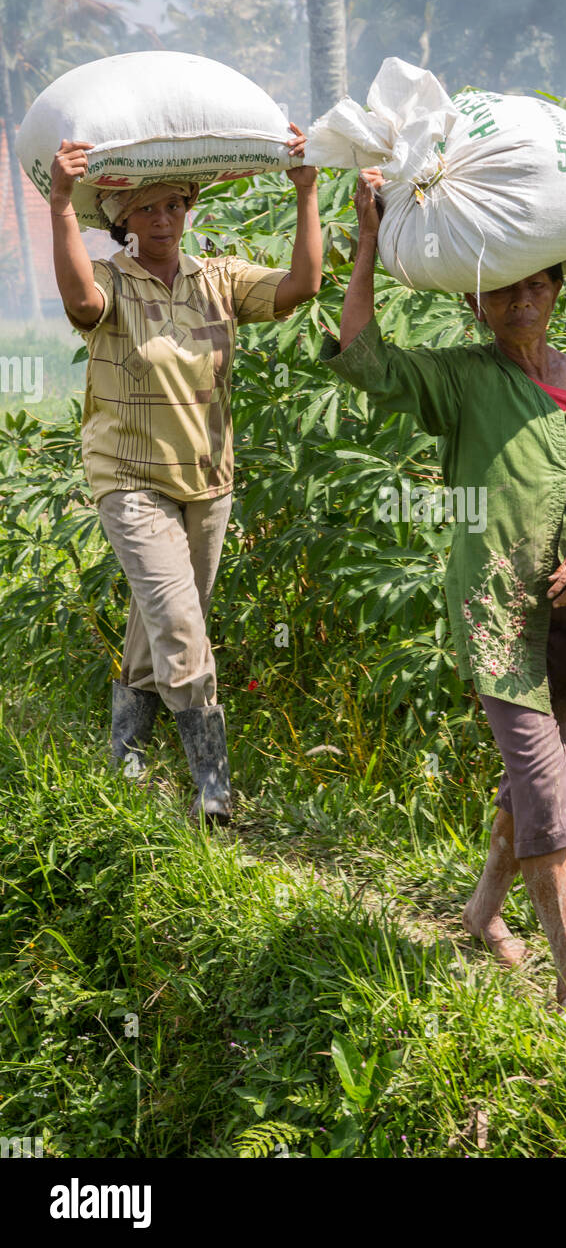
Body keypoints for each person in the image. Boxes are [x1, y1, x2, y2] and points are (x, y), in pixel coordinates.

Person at [322, 170, 566, 1030]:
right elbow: (363, 355)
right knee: (550, 797)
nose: (521, 298)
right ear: (476, 305)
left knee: (551, 778)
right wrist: (365, 239)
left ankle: (479, 914)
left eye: (535, 281)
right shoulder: (463, 382)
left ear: (557, 288)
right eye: (501, 286)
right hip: (499, 624)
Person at [50, 127, 322, 825]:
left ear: (188, 207)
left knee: (168, 615)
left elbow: (300, 287)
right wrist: (57, 204)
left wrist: (307, 191)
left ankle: (125, 755)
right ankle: (214, 788)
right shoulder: (111, 279)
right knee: (178, 622)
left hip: (207, 479)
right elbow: (82, 306)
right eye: (146, 209)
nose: (163, 219)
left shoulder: (221, 278)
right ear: (122, 221)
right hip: (129, 476)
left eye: (174, 204)